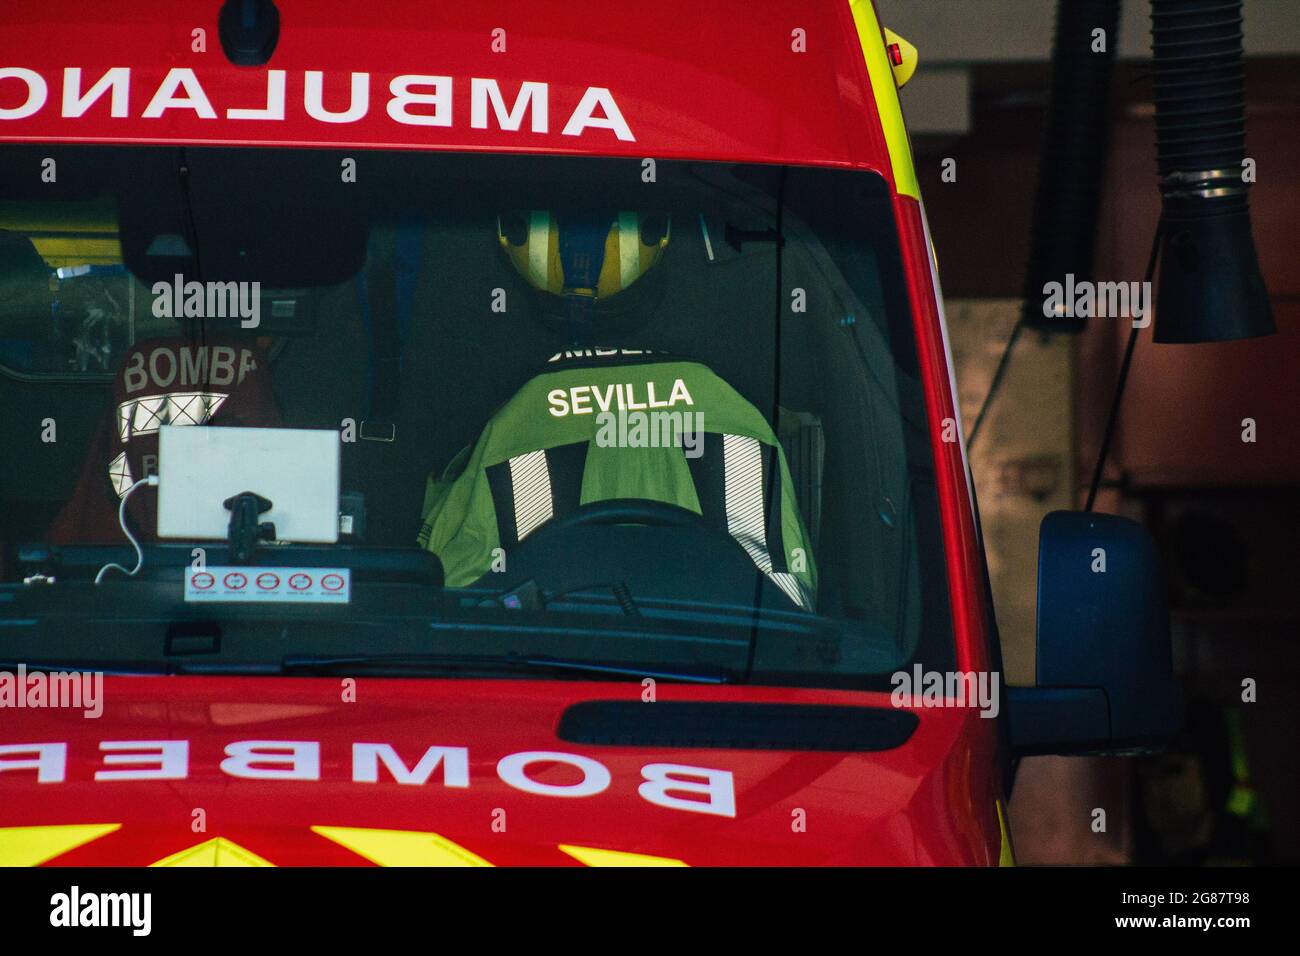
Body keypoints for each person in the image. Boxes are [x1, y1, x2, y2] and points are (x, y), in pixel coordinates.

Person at [416, 209, 817, 609]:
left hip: (541, 661)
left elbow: (450, 604)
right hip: (716, 664)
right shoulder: (738, 418)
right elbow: (791, 609)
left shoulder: (503, 431)